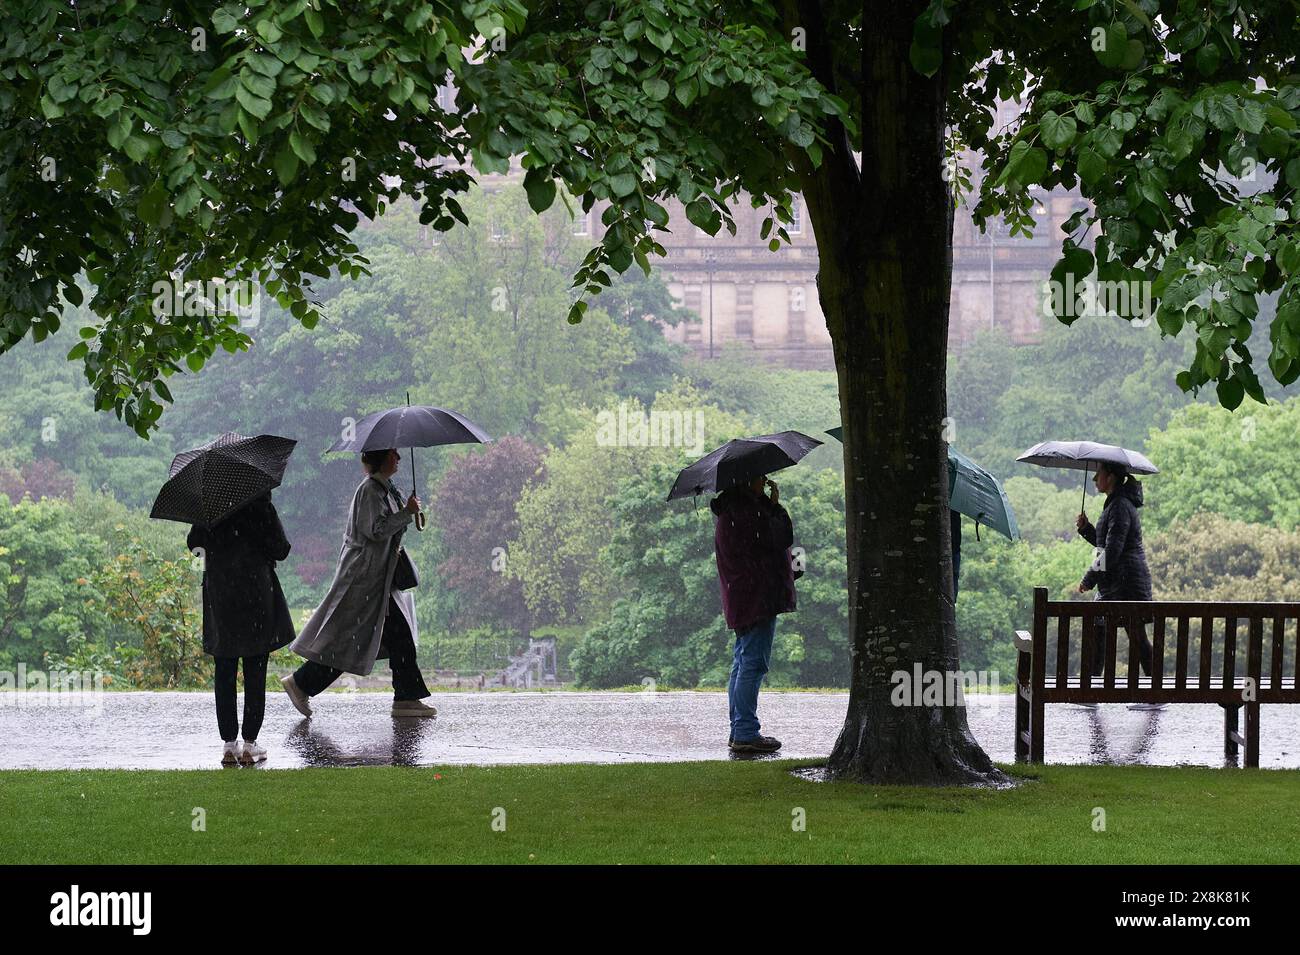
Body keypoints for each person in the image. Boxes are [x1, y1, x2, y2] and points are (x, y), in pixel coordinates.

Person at [282, 448, 436, 718]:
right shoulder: (369, 491)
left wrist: (407, 512)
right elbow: (375, 530)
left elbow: (386, 529)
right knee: (353, 641)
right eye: (393, 454)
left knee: (385, 637)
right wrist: (405, 514)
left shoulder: (384, 490)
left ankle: (406, 696)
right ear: (382, 459)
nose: (398, 458)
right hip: (364, 580)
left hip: (379, 580)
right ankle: (301, 683)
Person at [187, 492, 296, 765]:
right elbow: (280, 549)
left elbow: (194, 544)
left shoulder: (210, 503)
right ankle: (249, 743)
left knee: (224, 666)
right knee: (255, 666)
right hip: (255, 591)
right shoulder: (259, 502)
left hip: (221, 591)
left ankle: (228, 744)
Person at [710, 475, 797, 753]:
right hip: (756, 597)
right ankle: (746, 731)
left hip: (744, 596)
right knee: (752, 664)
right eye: (760, 477)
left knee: (743, 661)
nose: (765, 481)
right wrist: (775, 506)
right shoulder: (747, 512)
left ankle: (740, 729)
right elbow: (779, 536)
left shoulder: (733, 510)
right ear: (747, 481)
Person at [1075, 460, 1163, 711]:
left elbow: (1112, 552)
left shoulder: (1120, 507)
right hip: (1119, 583)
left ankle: (1153, 692)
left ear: (1111, 476)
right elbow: (1106, 543)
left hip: (1125, 585)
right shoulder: (1116, 505)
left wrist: (1089, 578)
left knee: (1132, 636)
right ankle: (1092, 691)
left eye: (1098, 474)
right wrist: (1087, 530)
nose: (1094, 479)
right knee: (1104, 633)